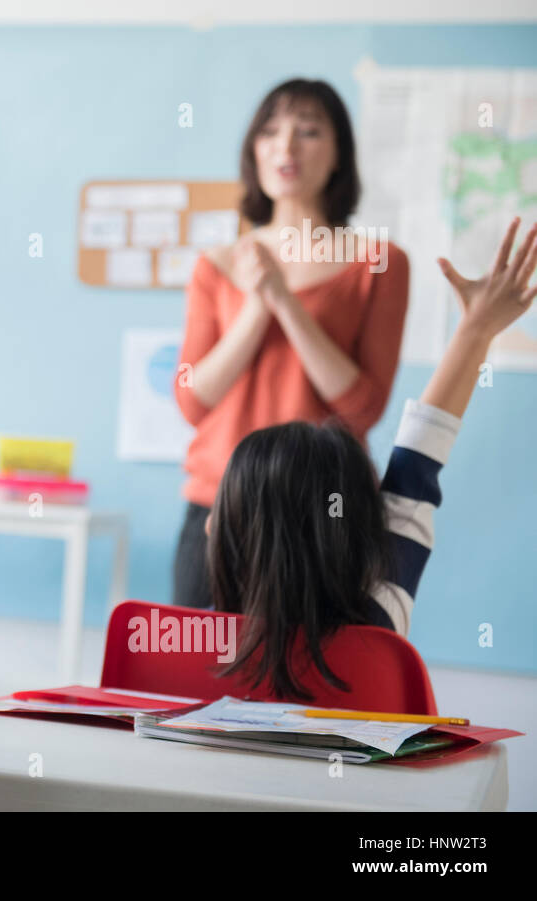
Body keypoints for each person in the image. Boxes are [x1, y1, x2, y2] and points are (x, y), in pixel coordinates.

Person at [206, 217, 537, 699]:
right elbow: (422, 449)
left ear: (227, 534)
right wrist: (477, 328)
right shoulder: (381, 610)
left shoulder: (197, 644)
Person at [172, 77, 410, 606]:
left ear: (339, 154)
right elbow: (192, 401)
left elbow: (363, 408)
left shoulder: (380, 262)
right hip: (217, 505)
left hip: (325, 513)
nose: (286, 146)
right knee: (193, 656)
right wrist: (258, 306)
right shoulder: (217, 264)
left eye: (309, 131)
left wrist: (284, 300)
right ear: (253, 149)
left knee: (317, 661)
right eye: (270, 131)